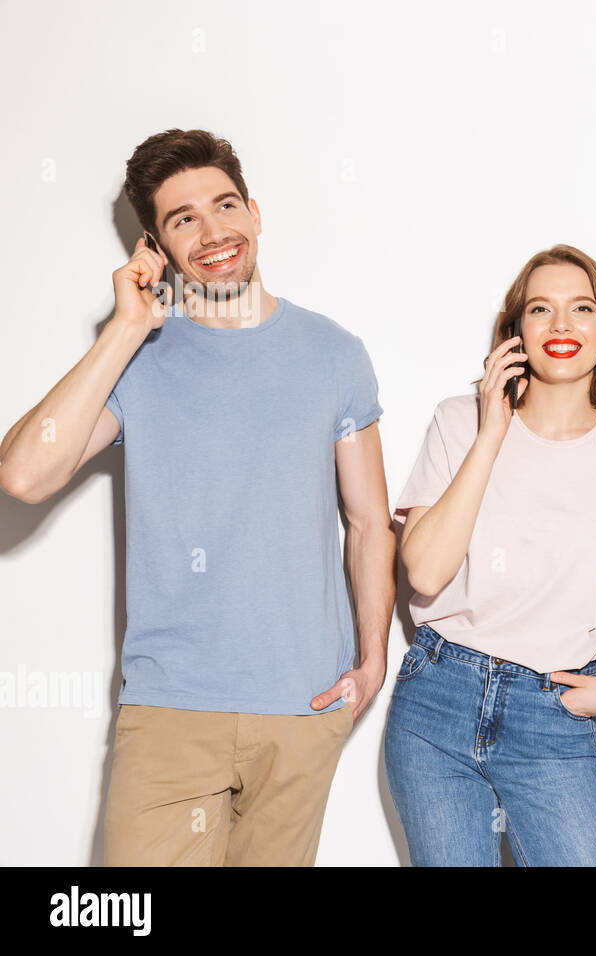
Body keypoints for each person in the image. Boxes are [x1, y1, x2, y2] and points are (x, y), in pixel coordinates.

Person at [0, 129, 394, 866]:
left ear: (254, 210)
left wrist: (372, 657)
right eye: (183, 219)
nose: (213, 233)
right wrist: (124, 328)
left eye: (224, 206)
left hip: (302, 710)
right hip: (171, 710)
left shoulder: (334, 354)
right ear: (155, 244)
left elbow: (369, 520)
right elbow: (23, 475)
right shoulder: (138, 358)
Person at [385, 244, 596, 866]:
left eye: (581, 309)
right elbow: (428, 571)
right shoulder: (458, 421)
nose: (561, 325)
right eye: (540, 309)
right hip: (438, 698)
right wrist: (493, 430)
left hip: (552, 711)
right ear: (516, 333)